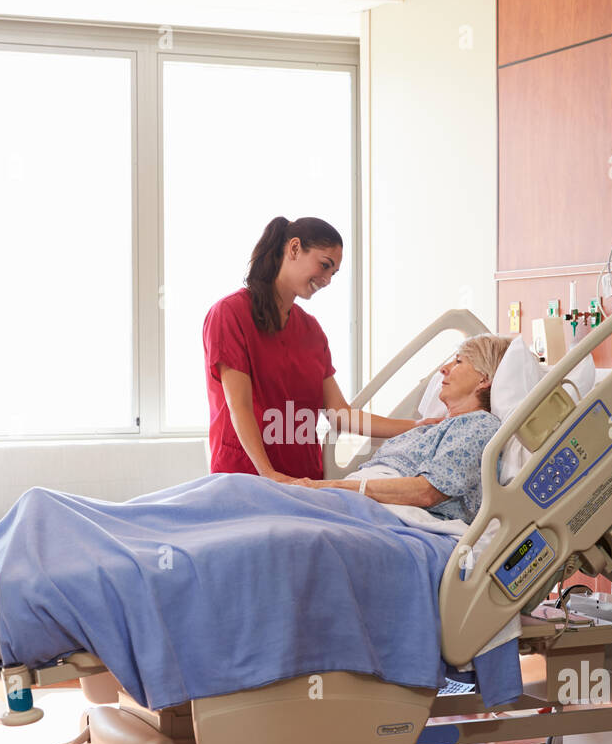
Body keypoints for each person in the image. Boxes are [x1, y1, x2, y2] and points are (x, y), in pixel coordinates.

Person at [203, 216, 430, 483]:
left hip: (304, 480)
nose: (327, 280)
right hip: (246, 478)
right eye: (324, 265)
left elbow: (341, 414)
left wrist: (414, 427)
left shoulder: (311, 331)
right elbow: (238, 406)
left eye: (333, 273)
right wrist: (269, 475)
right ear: (295, 248)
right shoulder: (230, 314)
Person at [292, 333, 512, 524]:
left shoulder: (479, 425)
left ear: (484, 378)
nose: (444, 370)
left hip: (386, 513)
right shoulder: (435, 428)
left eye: (458, 362)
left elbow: (426, 493)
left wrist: (327, 487)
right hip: (360, 502)